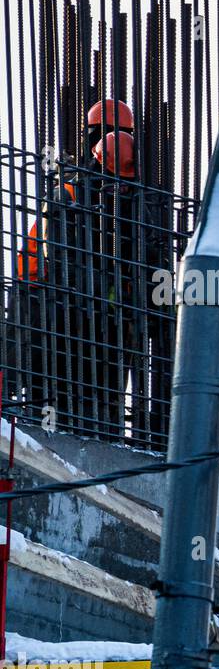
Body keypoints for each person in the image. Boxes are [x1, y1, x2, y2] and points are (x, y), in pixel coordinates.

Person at [9, 126, 141, 440]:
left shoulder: (121, 214)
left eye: (124, 186)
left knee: (100, 370)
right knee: (42, 383)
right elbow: (64, 263)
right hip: (39, 301)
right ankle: (32, 426)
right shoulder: (65, 195)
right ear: (98, 170)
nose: (118, 192)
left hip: (77, 310)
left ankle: (99, 428)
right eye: (113, 183)